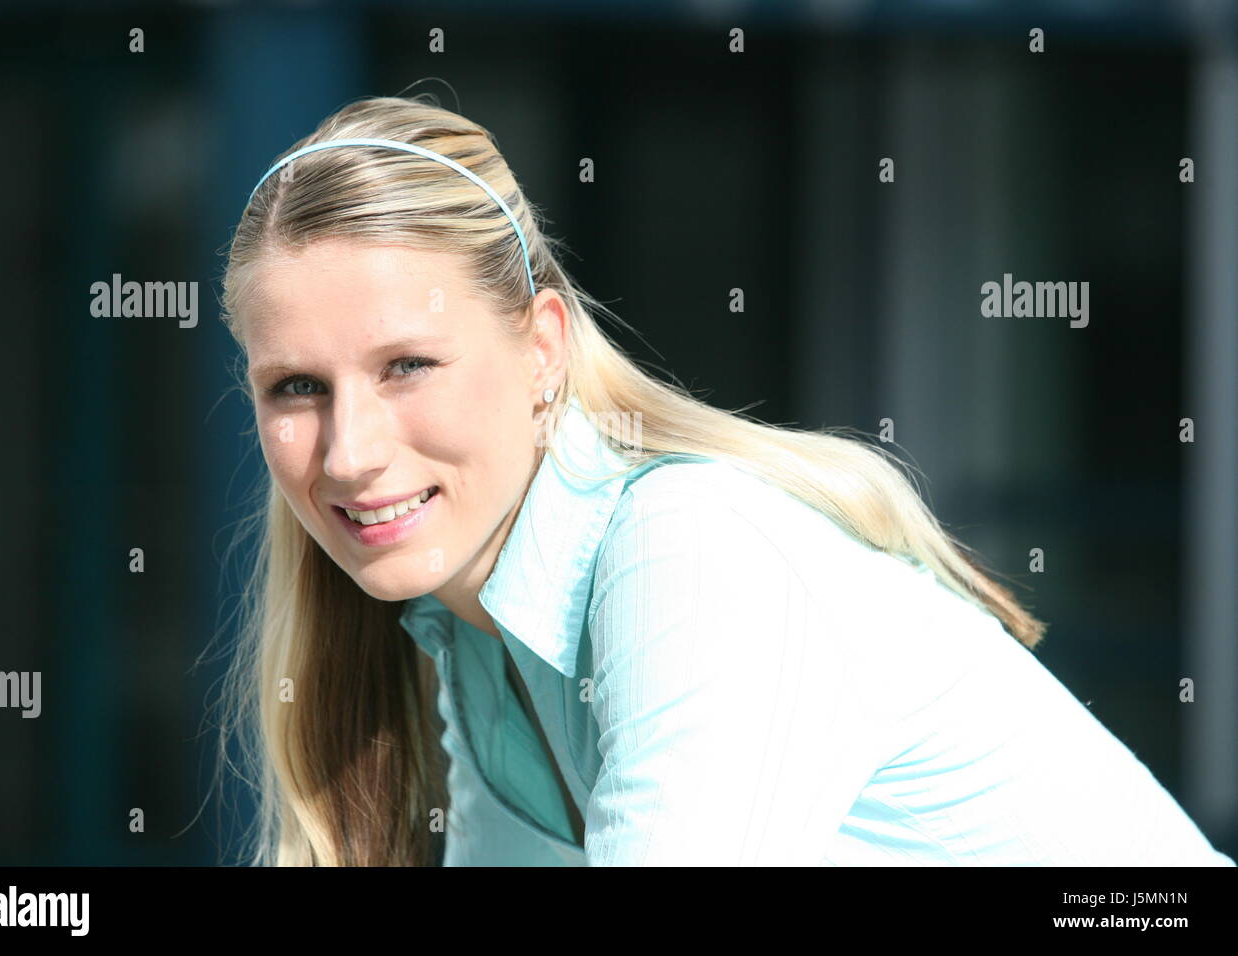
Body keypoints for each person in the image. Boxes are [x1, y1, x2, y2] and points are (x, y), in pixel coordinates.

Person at [215, 93, 1235, 867]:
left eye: (407, 365)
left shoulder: (688, 547)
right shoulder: (478, 626)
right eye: (296, 386)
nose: (347, 451)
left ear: (541, 351)